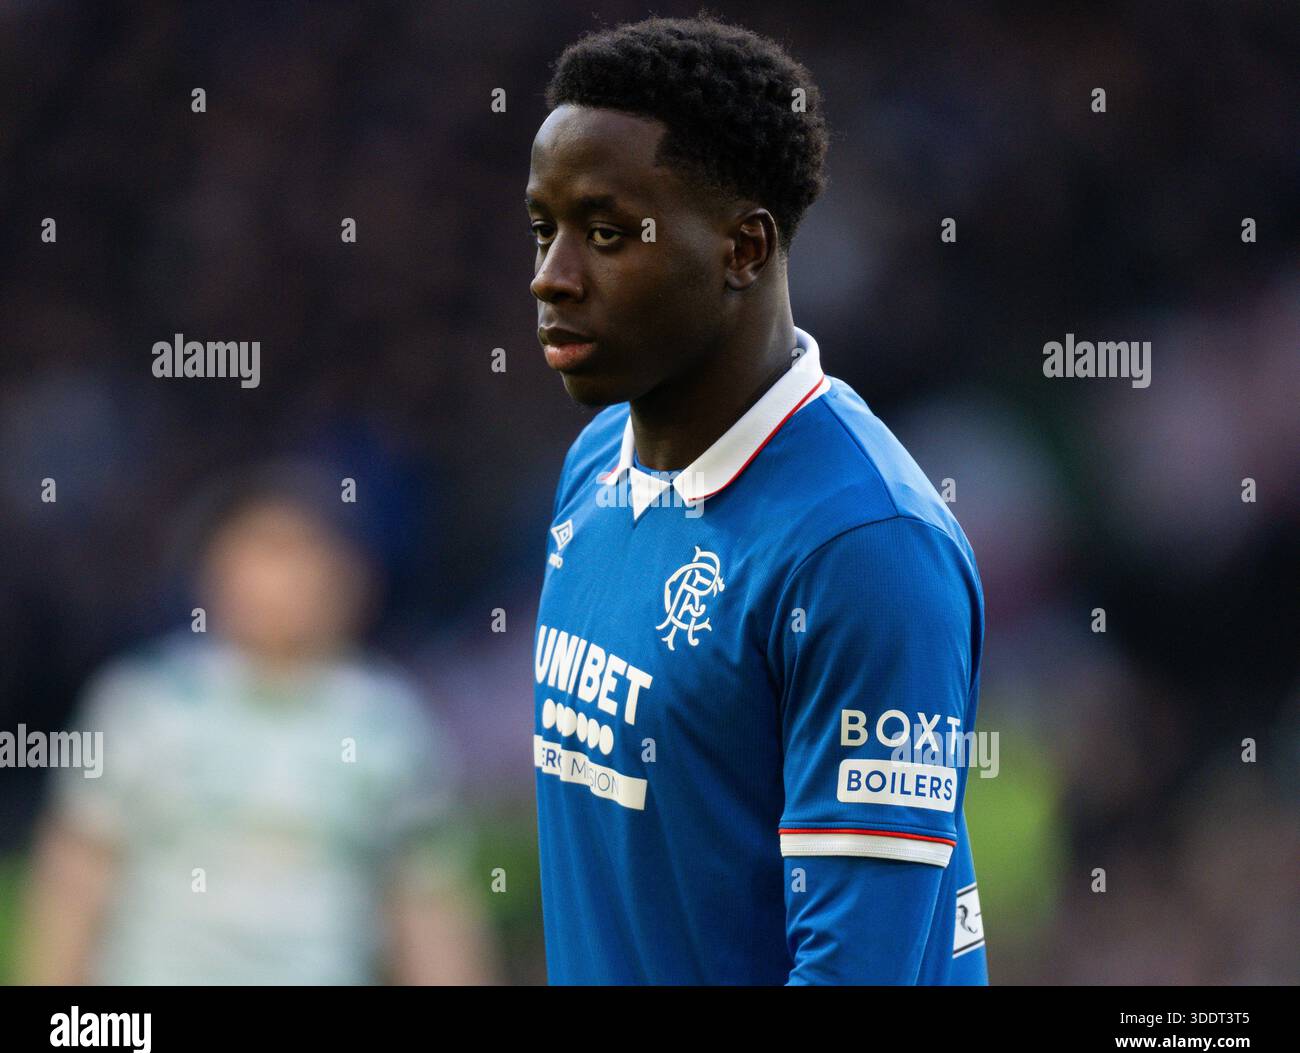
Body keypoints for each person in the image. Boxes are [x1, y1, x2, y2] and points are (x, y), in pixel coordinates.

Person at [527, 15, 987, 985]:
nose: (552, 277)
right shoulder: (595, 462)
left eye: (605, 233)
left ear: (742, 248)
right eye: (545, 229)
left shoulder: (864, 547)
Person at [17, 466, 496, 985]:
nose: (282, 579)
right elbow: (73, 881)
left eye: (301, 552)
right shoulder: (146, 704)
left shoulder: (386, 722)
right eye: (263, 552)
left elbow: (428, 907)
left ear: (347, 575)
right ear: (213, 571)